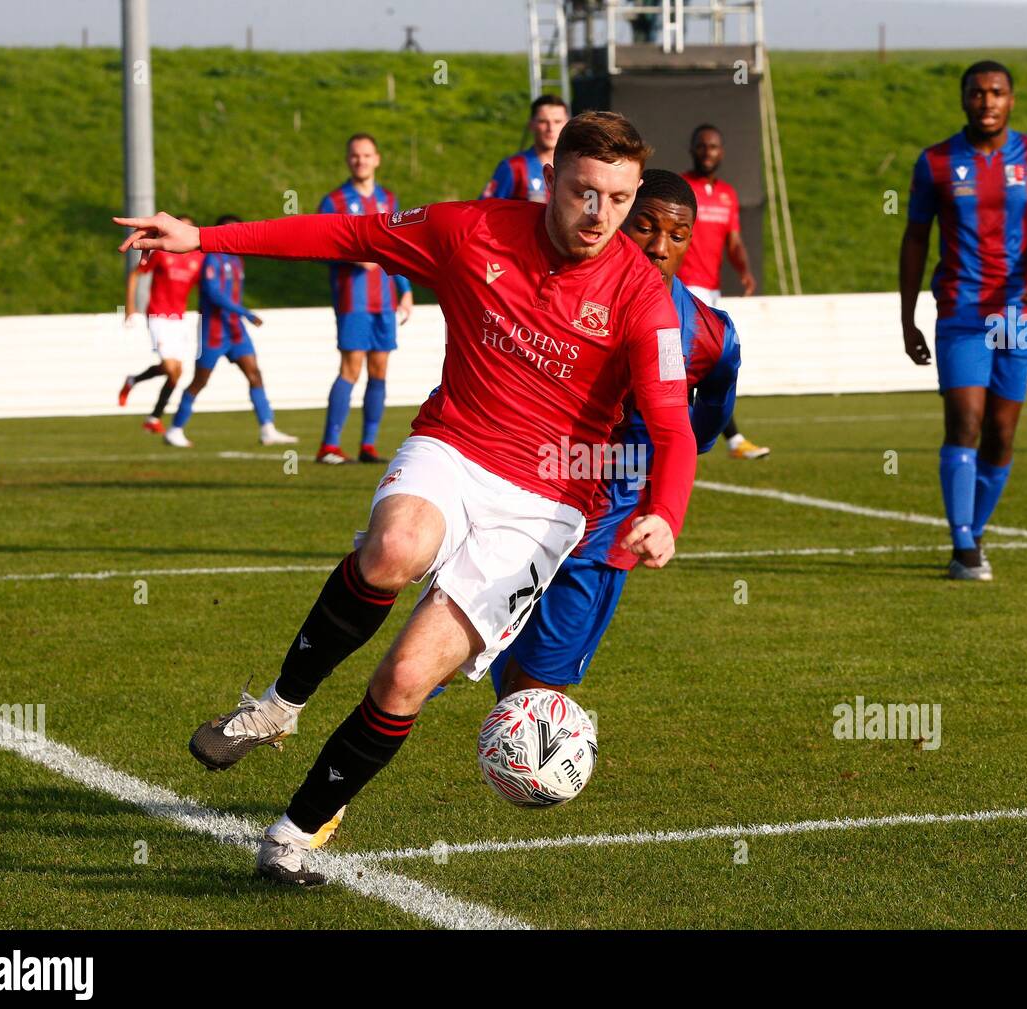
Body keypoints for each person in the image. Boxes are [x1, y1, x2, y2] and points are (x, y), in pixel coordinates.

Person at [116, 111, 698, 886]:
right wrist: (204, 238)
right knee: (393, 549)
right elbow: (349, 237)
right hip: (455, 444)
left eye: (619, 200)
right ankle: (277, 707)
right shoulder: (472, 229)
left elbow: (672, 426)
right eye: (586, 193)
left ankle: (294, 833)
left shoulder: (641, 296)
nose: (601, 218)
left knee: (401, 681)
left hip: (546, 504)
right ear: (551, 178)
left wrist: (666, 512)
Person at [488, 168, 739, 703]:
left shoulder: (709, 334)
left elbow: (707, 422)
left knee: (533, 684)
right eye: (645, 227)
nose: (659, 247)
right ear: (621, 221)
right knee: (435, 660)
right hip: (523, 498)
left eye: (677, 235)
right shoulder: (563, 294)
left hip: (606, 530)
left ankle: (524, 762)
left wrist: (665, 476)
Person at [899, 60, 1027, 581]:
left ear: (1011, 100)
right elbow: (915, 240)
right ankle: (963, 544)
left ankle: (976, 529)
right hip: (963, 313)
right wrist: (908, 318)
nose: (987, 101)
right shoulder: (937, 162)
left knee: (1001, 433)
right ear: (964, 99)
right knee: (965, 421)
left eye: (996, 92)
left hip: (1017, 313)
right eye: (977, 92)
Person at [315, 133, 414, 465]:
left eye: (367, 155)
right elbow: (316, 243)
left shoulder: (388, 199)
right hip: (352, 300)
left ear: (377, 159)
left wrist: (406, 291)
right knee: (351, 368)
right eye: (355, 156)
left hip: (384, 301)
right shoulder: (334, 202)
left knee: (380, 369)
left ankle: (368, 445)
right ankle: (329, 445)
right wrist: (350, 255)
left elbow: (396, 247)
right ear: (348, 160)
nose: (361, 161)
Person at [162, 215, 298, 449]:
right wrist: (244, 312)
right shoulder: (211, 258)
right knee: (200, 381)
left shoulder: (237, 260)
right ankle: (175, 429)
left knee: (254, 374)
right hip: (213, 331)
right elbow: (214, 293)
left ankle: (267, 428)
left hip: (235, 331)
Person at [677, 124, 768, 460]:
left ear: (721, 152)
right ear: (692, 149)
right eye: (701, 146)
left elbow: (733, 241)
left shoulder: (728, 195)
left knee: (709, 365)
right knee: (698, 365)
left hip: (711, 291)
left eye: (713, 146)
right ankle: (730, 439)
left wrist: (743, 270)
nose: (707, 151)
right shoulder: (683, 187)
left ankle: (708, 438)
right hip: (684, 287)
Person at [117, 216, 203, 433]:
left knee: (177, 372)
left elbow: (203, 287)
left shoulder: (198, 259)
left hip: (179, 319)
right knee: (170, 369)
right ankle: (153, 414)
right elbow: (135, 275)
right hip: (158, 315)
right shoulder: (163, 253)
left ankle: (150, 412)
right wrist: (130, 306)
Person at [480, 95, 569, 203]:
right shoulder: (514, 168)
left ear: (567, 124)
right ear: (531, 124)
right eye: (543, 122)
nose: (551, 128)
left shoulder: (577, 167)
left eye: (557, 121)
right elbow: (484, 210)